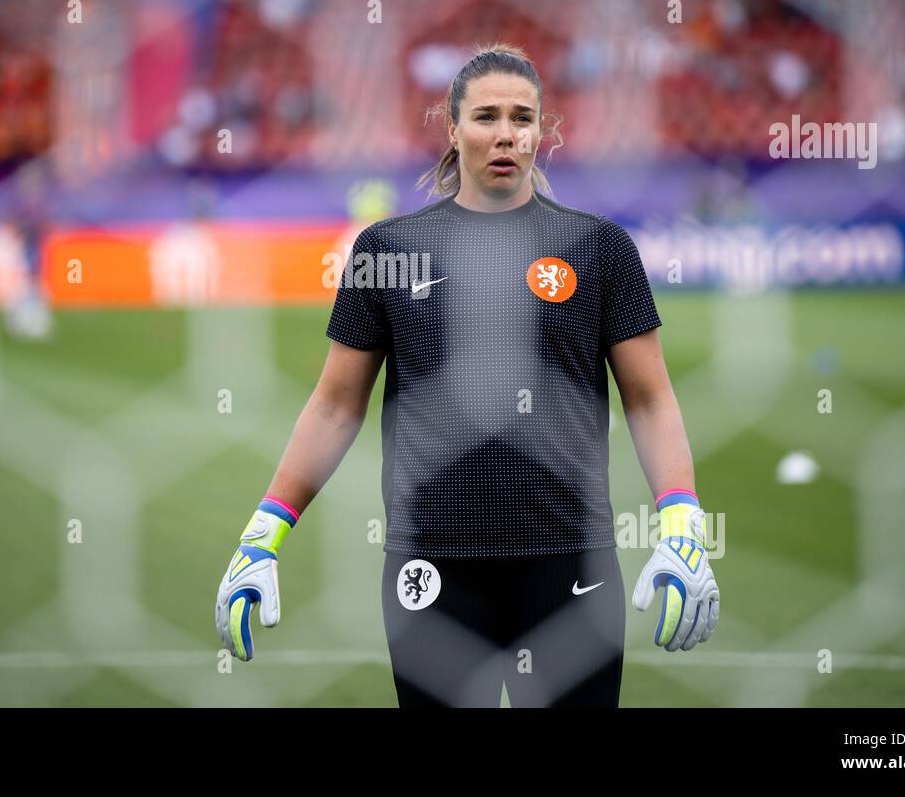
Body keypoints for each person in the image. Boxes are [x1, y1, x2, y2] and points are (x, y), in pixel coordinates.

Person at [214, 43, 719, 707]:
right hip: (431, 567)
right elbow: (336, 406)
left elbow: (651, 402)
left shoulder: (600, 249)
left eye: (522, 117)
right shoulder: (385, 252)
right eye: (485, 117)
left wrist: (682, 523)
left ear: (543, 130)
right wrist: (261, 538)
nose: (506, 133)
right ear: (452, 129)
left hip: (570, 563)